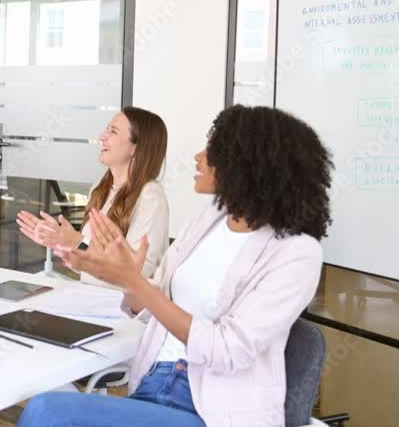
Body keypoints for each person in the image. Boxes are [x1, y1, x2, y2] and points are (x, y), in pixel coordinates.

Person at [18, 105, 332, 427]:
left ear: (249, 163)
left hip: (213, 412)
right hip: (154, 383)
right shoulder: (207, 221)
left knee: (48, 413)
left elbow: (228, 349)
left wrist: (133, 280)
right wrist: (110, 270)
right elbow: (155, 298)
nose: (198, 156)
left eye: (212, 148)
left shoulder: (296, 253)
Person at [17, 106, 169, 287]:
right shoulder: (100, 189)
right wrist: (58, 240)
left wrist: (77, 242)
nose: (102, 137)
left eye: (113, 131)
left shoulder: (150, 198)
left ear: (135, 148)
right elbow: (84, 267)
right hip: (91, 301)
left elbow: (139, 274)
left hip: (123, 310)